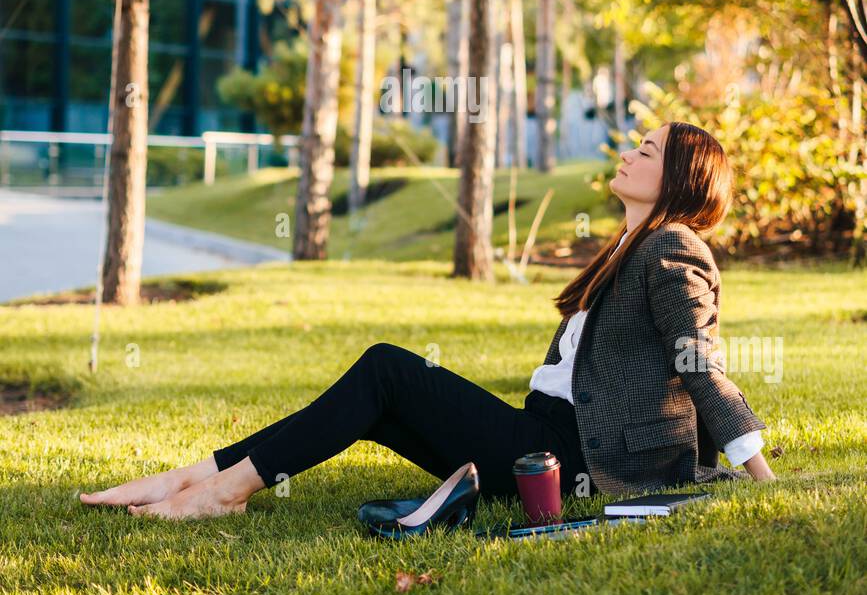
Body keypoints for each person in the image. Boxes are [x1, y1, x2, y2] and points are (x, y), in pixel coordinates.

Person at [80, 120, 774, 521]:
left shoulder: (672, 247)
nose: (628, 152)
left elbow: (697, 362)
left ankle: (224, 490)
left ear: (681, 177)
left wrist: (761, 479)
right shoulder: (624, 248)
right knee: (375, 404)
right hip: (546, 438)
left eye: (647, 151)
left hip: (580, 459)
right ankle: (193, 478)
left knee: (386, 367)